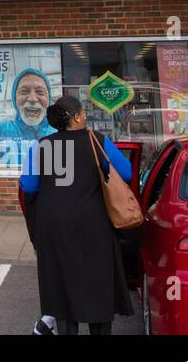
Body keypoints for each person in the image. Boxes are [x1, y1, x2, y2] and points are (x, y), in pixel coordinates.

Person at [20, 94, 133, 336]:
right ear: (78, 116)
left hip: (54, 227)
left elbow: (28, 186)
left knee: (61, 288)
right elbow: (126, 172)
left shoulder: (42, 145)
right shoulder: (98, 142)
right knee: (97, 284)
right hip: (94, 225)